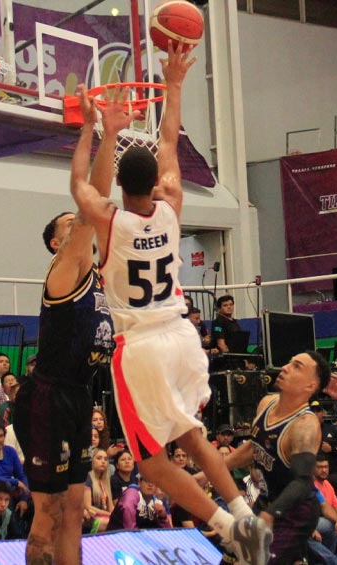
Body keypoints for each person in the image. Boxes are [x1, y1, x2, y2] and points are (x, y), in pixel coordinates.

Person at [67, 42, 268, 564]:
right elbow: (170, 140)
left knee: (150, 462)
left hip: (142, 348)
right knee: (193, 436)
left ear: (120, 185)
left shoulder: (110, 221)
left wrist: (98, 130)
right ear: (155, 183)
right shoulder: (173, 206)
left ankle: (227, 526)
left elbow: (80, 189)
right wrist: (173, 82)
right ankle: (243, 514)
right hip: (183, 336)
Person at [11, 94, 117, 563]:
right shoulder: (65, 268)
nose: (82, 225)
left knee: (75, 509)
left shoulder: (97, 274)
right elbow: (90, 194)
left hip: (78, 395)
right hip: (47, 398)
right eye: (72, 225)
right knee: (49, 511)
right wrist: (99, 133)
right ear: (59, 241)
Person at [208, 351, 330, 564]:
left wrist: (271, 514)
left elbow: (302, 482)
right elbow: (252, 448)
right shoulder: (267, 403)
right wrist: (208, 473)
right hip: (266, 503)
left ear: (310, 386)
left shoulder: (305, 427)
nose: (285, 367)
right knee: (228, 559)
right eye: (290, 361)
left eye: (297, 366)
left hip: (294, 514)